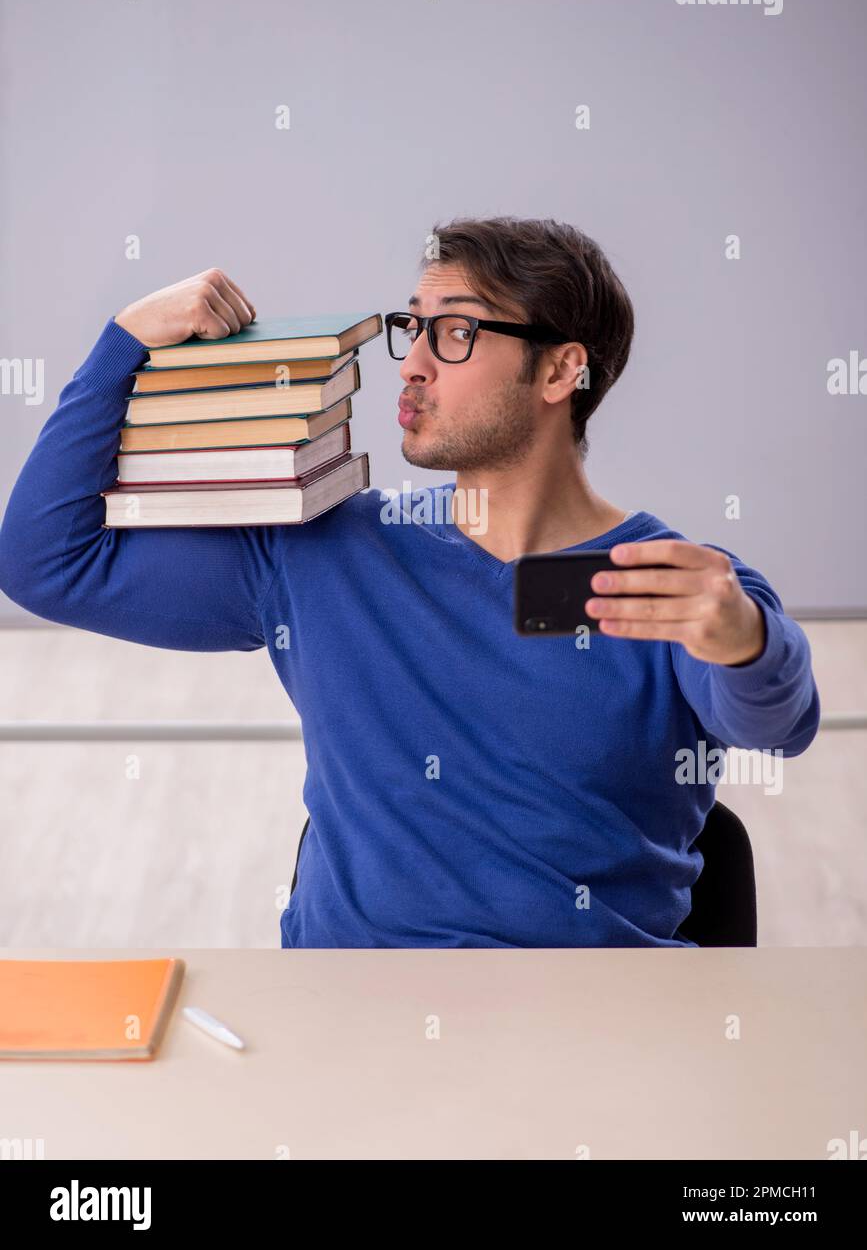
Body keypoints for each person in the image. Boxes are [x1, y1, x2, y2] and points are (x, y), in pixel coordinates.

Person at [0, 217, 820, 948]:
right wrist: (124, 342)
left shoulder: (673, 585)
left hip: (597, 1029)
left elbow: (774, 727)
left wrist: (747, 641)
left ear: (560, 371)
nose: (411, 366)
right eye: (411, 331)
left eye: (454, 334)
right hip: (352, 1023)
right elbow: (46, 562)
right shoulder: (323, 548)